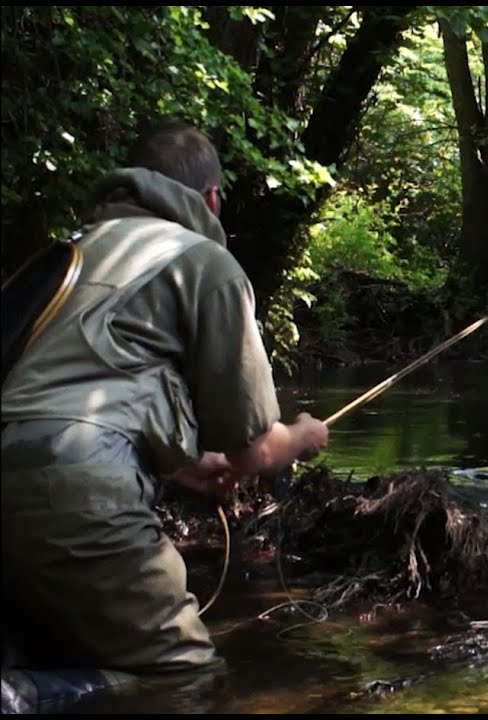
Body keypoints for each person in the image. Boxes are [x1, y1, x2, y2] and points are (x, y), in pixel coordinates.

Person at [0, 122, 329, 695]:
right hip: (73, 488)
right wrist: (302, 434)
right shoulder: (203, 261)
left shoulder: (69, 256)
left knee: (44, 645)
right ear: (210, 197)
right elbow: (252, 450)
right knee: (182, 677)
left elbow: (64, 392)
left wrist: (181, 466)